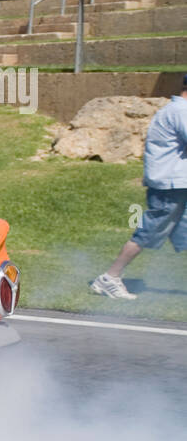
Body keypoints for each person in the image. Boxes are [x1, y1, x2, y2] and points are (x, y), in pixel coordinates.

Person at [91, 80, 187, 300]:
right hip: (169, 186)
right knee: (147, 232)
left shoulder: (176, 109)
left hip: (177, 184)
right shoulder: (181, 111)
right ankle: (109, 278)